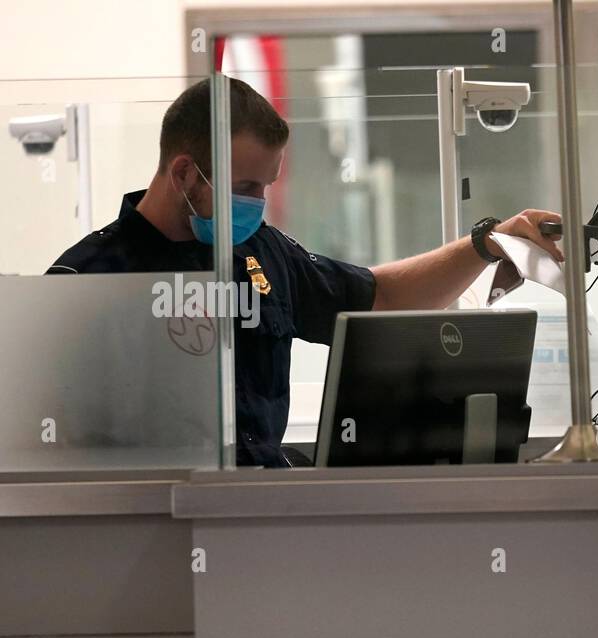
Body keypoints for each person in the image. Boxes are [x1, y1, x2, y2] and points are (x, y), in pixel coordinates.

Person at [46, 77, 563, 467]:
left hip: (268, 512)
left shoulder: (260, 252)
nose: (258, 203)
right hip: (151, 529)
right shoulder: (87, 282)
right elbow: (55, 447)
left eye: (266, 186)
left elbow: (379, 298)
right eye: (245, 186)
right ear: (184, 173)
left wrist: (486, 245)